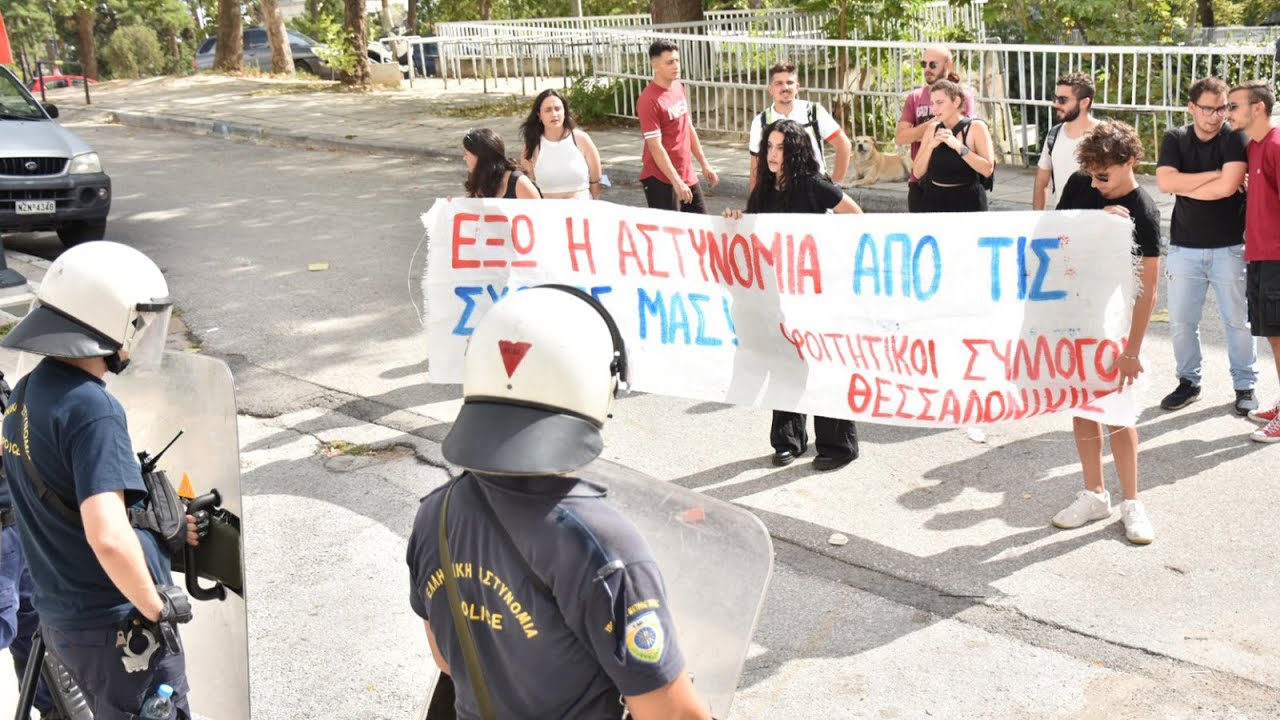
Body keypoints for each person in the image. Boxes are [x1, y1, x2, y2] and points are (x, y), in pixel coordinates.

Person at [407, 286, 710, 719]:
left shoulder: (434, 513)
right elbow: (673, 714)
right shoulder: (602, 547)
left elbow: (445, 657)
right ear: (601, 384)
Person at [0, 241, 201, 718]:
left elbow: (54, 500)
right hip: (116, 627)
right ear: (111, 319)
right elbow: (107, 536)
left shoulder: (27, 391)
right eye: (139, 322)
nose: (139, 336)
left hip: (64, 620)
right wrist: (157, 607)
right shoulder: (93, 408)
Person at [725, 119, 862, 471]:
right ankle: (789, 440)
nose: (772, 155)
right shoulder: (765, 189)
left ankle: (838, 445)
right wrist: (737, 219)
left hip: (818, 292)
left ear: (796, 151)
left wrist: (830, 255)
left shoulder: (814, 185)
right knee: (786, 361)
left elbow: (855, 216)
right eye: (769, 147)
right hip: (780, 294)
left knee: (824, 361)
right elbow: (754, 227)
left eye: (781, 148)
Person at [1051, 121, 1162, 545]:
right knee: (1083, 405)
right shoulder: (1081, 185)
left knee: (1118, 412)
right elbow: (1052, 235)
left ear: (1129, 162)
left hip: (1116, 325)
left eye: (1103, 177)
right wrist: (1095, 222)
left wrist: (1132, 350)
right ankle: (1095, 493)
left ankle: (1132, 502)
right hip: (1078, 316)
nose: (1095, 185)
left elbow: (1148, 289)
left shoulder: (1144, 211)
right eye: (1091, 175)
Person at [1155, 77, 1255, 415]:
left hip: (1231, 246)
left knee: (1238, 322)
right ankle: (1188, 383)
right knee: (1182, 322)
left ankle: (1245, 385)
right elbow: (1165, 182)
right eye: (1208, 109)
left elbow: (1227, 188)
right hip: (1184, 246)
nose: (1215, 116)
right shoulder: (1175, 138)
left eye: (1222, 108)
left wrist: (1186, 184)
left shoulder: (1234, 137)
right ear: (1192, 107)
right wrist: (1214, 174)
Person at [1225, 80, 1280, 442]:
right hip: (1259, 254)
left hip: (1277, 256)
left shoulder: (1275, 145)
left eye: (1234, 106)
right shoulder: (1255, 146)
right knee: (1274, 334)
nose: (1227, 112)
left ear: (1257, 108)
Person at [639, 39, 718, 213]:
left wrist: (704, 163)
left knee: (701, 225)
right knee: (669, 229)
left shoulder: (678, 87)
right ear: (655, 66)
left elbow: (687, 127)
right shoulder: (648, 100)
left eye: (677, 60)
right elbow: (655, 146)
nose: (676, 66)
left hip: (686, 173)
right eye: (669, 62)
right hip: (660, 178)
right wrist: (676, 181)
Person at [747, 61, 851, 192]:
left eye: (790, 82)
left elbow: (843, 145)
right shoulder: (760, 121)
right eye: (779, 83)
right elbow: (756, 166)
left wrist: (834, 188)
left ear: (797, 87)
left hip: (813, 193)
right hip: (777, 194)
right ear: (771, 89)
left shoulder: (814, 112)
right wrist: (754, 202)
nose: (785, 87)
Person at [896, 44, 976, 212]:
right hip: (920, 181)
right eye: (923, 64)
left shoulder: (962, 96)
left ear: (948, 65)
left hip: (955, 181)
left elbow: (964, 134)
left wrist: (918, 133)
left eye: (933, 64)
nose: (927, 69)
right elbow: (901, 137)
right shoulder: (915, 97)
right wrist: (933, 124)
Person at [910, 80, 994, 212]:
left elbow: (987, 169)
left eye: (939, 102)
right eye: (932, 103)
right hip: (934, 201)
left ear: (956, 102)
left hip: (968, 202)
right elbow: (917, 172)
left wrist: (958, 147)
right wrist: (930, 147)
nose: (934, 109)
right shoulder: (932, 129)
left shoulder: (976, 127)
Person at [518, 89, 605, 200]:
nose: (554, 114)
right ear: (539, 115)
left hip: (582, 208)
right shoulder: (532, 145)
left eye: (558, 109)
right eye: (548, 110)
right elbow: (528, 188)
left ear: (565, 112)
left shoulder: (582, 139)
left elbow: (597, 180)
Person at [1033, 72, 1102, 210]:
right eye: (1055, 98)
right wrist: (1038, 217)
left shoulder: (1105, 136)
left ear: (1084, 102)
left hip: (1096, 219)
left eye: (1063, 100)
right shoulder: (1054, 134)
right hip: (1062, 217)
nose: (1056, 104)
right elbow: (1041, 183)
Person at [463, 128, 541, 200]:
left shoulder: (519, 182)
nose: (464, 158)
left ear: (480, 156)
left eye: (466, 154)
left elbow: (538, 209)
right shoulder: (477, 179)